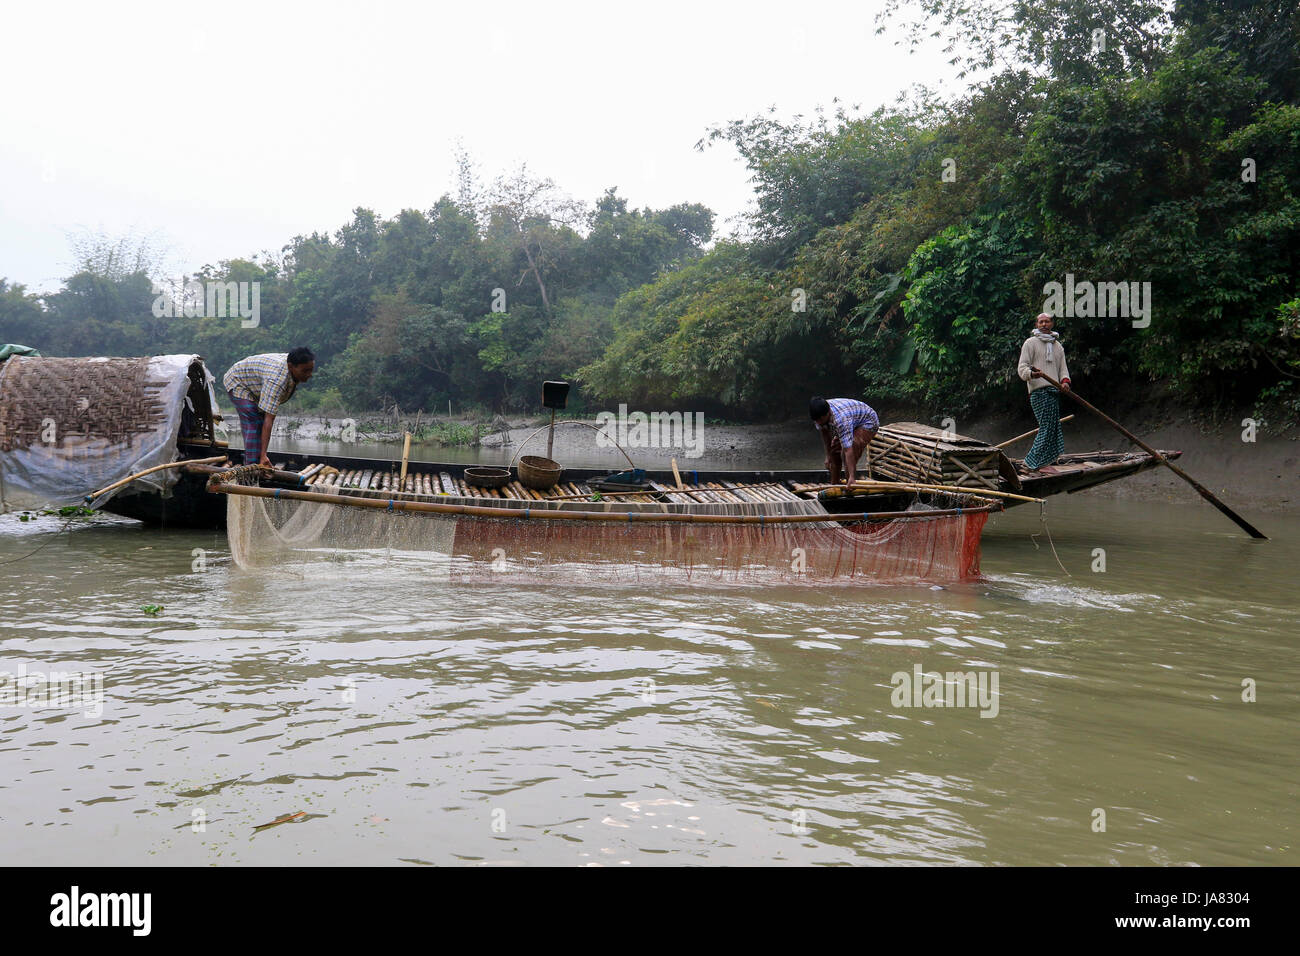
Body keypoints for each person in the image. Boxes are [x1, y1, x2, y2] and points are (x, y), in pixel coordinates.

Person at [223, 348, 315, 466]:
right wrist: (263, 455)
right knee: (254, 421)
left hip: (255, 385)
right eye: (305, 371)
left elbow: (267, 416)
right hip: (238, 381)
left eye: (311, 370)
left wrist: (263, 454)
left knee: (259, 421)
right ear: (291, 366)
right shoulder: (276, 380)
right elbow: (269, 419)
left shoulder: (290, 367)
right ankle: (252, 465)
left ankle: (257, 459)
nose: (309, 375)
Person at [1017, 314, 1071, 471]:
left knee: (1053, 427)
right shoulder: (1030, 343)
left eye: (1047, 321)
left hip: (1054, 391)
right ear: (1037, 324)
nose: (1044, 324)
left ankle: (1044, 462)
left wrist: (1065, 382)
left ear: (1052, 324)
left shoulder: (1058, 346)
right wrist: (1032, 374)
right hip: (1038, 391)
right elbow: (1022, 368)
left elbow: (1063, 369)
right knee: (1047, 426)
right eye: (1041, 322)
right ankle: (1030, 462)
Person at [811, 396, 879, 485]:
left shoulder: (841, 419)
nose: (818, 422)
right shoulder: (818, 415)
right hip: (851, 420)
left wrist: (851, 476)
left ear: (827, 414)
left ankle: (850, 483)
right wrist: (828, 456)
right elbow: (825, 434)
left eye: (820, 420)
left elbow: (848, 450)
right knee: (834, 450)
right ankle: (834, 484)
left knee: (850, 448)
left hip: (867, 422)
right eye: (817, 421)